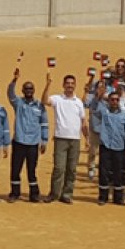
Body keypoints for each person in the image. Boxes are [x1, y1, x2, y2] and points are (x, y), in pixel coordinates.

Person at [44, 73, 88, 204]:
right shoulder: (58, 99)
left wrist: (87, 139)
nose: (70, 86)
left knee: (72, 169)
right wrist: (48, 84)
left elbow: (83, 121)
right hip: (60, 139)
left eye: (72, 83)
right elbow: (45, 101)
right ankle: (54, 194)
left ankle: (67, 194)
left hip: (75, 139)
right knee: (59, 168)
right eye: (67, 83)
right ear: (63, 85)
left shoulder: (78, 102)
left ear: (75, 85)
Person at [6, 70, 48, 203]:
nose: (29, 90)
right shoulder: (18, 103)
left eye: (31, 88)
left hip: (33, 143)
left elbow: (44, 123)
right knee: (15, 169)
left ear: (34, 90)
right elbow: (10, 93)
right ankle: (14, 193)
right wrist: (14, 80)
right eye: (26, 88)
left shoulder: (39, 106)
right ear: (23, 90)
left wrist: (44, 140)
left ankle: (34, 195)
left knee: (32, 170)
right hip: (19, 141)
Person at [90, 85, 125, 205]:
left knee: (118, 173)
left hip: (119, 147)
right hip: (106, 147)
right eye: (112, 100)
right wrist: (98, 97)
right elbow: (93, 109)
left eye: (116, 100)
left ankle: (118, 198)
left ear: (119, 101)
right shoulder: (104, 112)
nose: (114, 102)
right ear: (108, 101)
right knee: (103, 173)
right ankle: (103, 197)